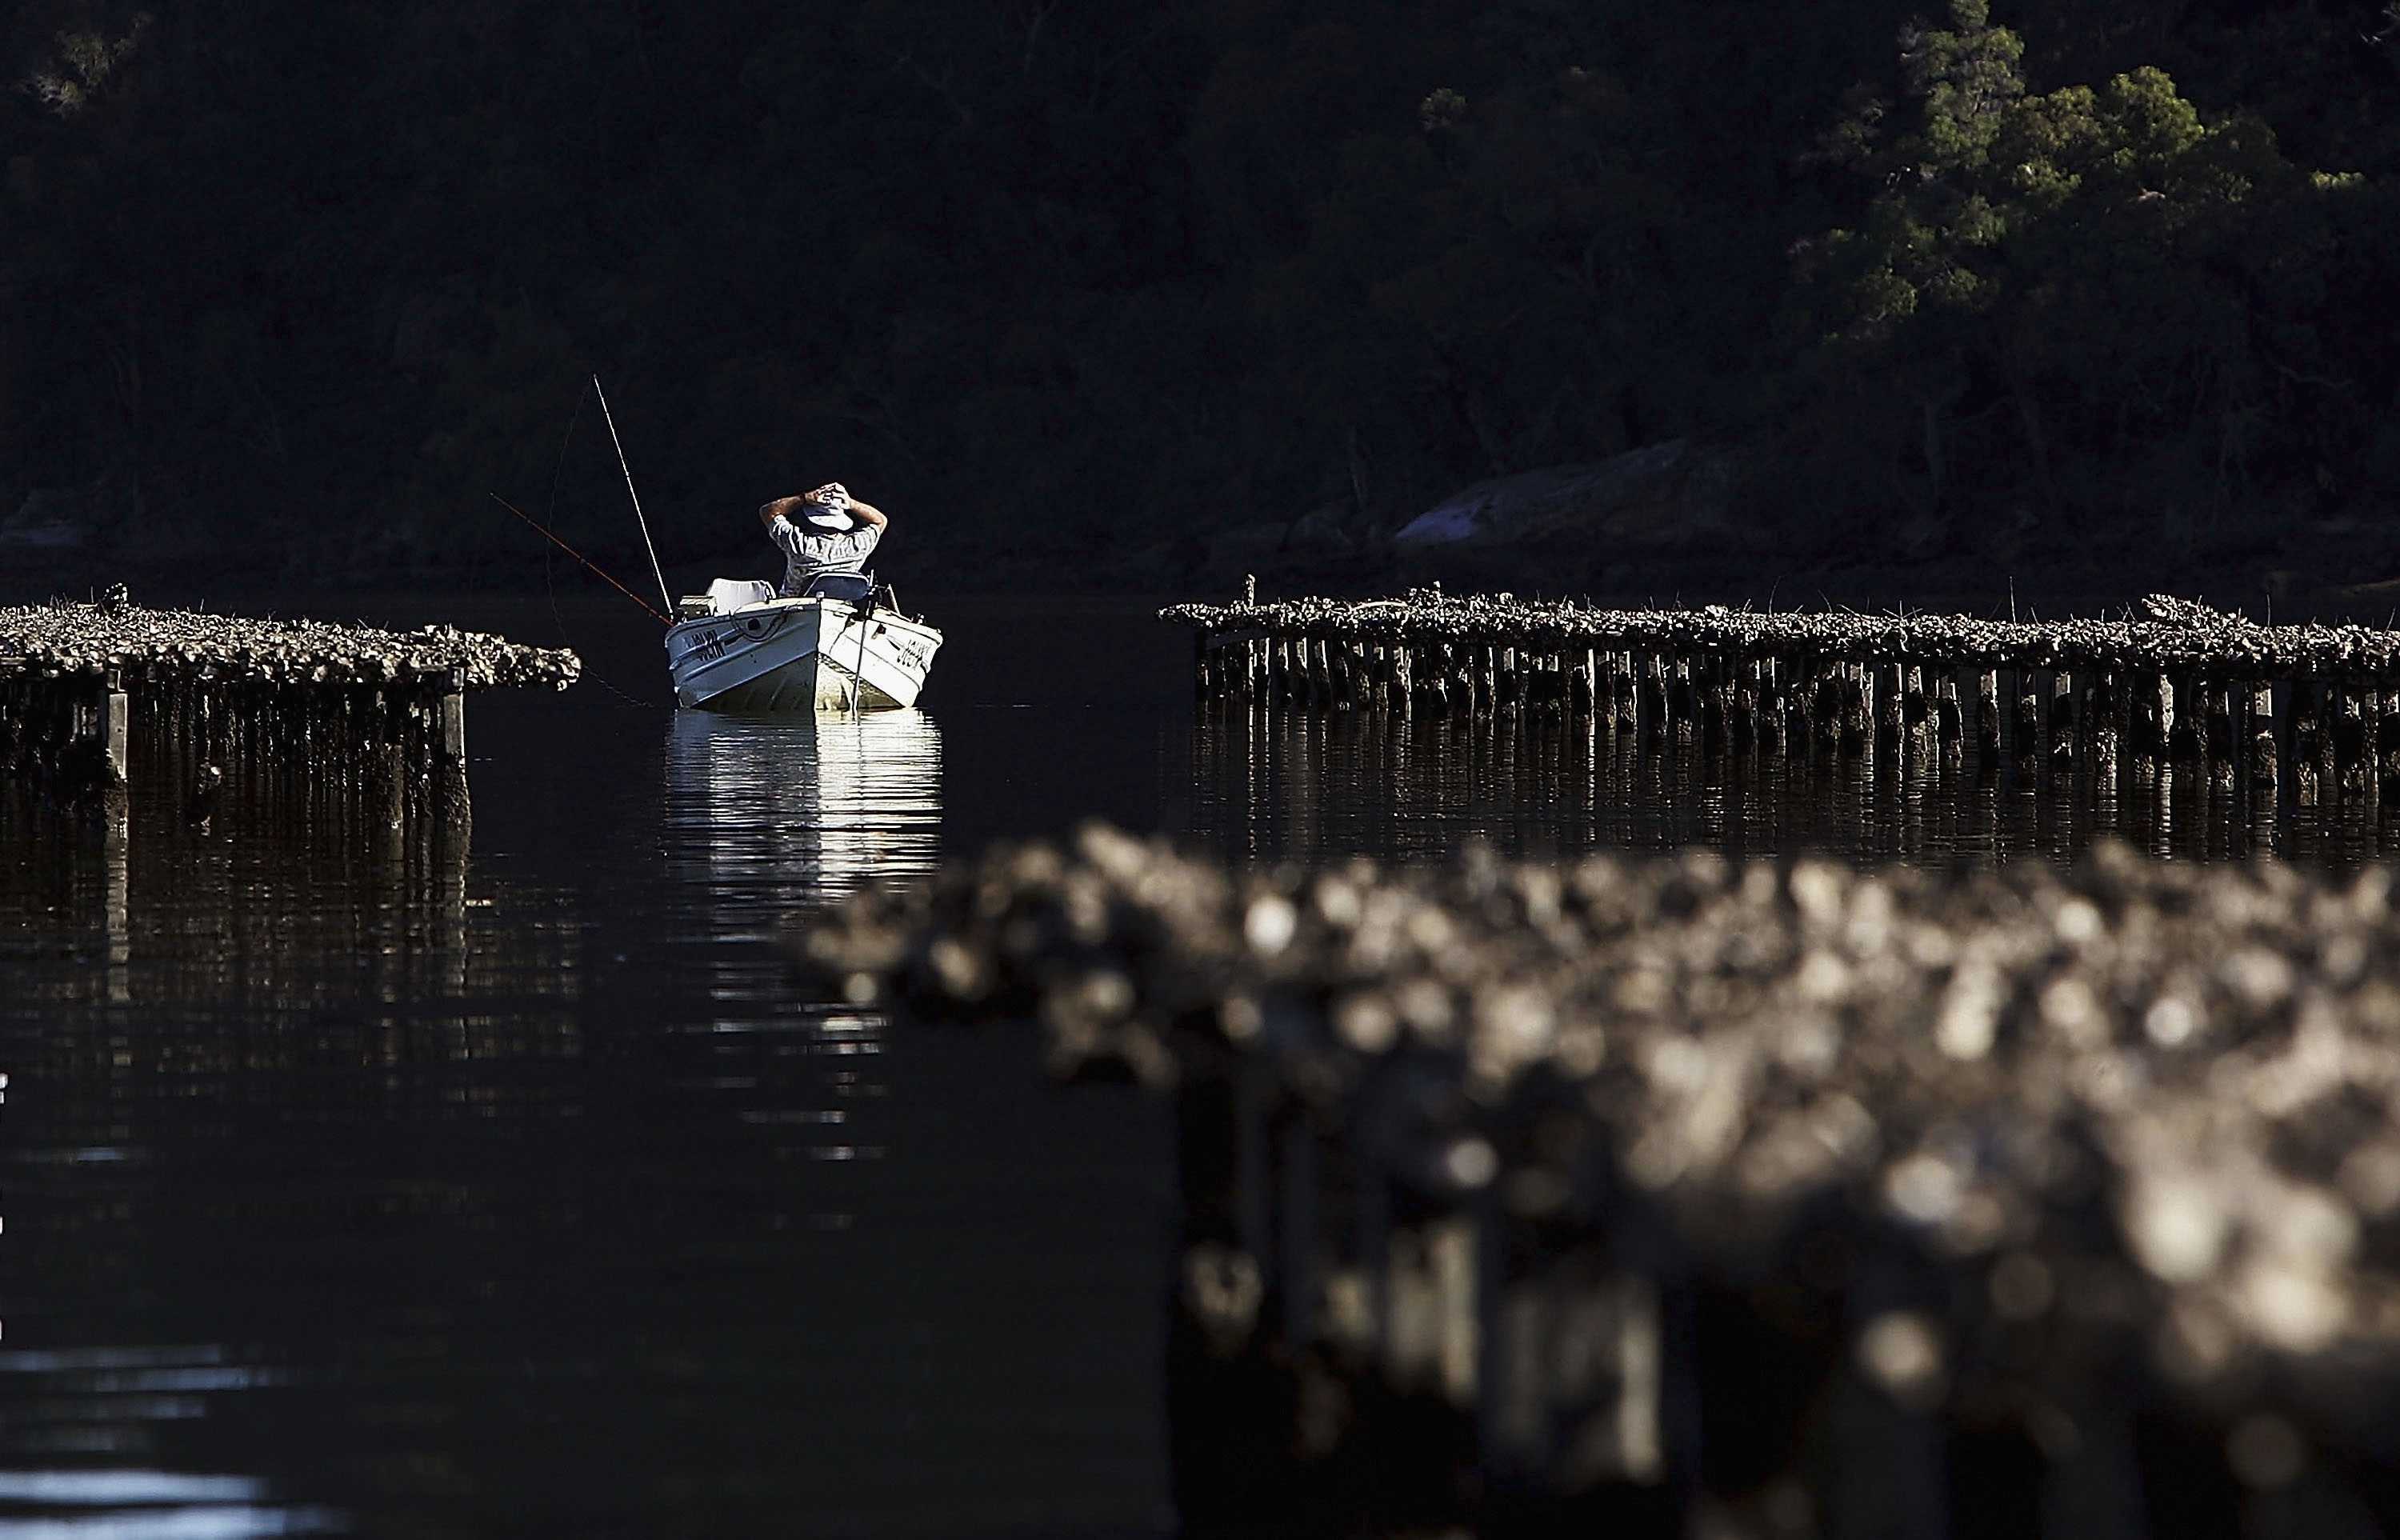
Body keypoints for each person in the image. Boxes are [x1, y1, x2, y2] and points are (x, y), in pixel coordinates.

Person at [758, 482, 889, 598]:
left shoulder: (800, 545)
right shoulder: (857, 546)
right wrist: (851, 503)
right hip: (838, 611)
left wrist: (804, 498)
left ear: (811, 518)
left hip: (794, 609)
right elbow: (880, 521)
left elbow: (768, 512)